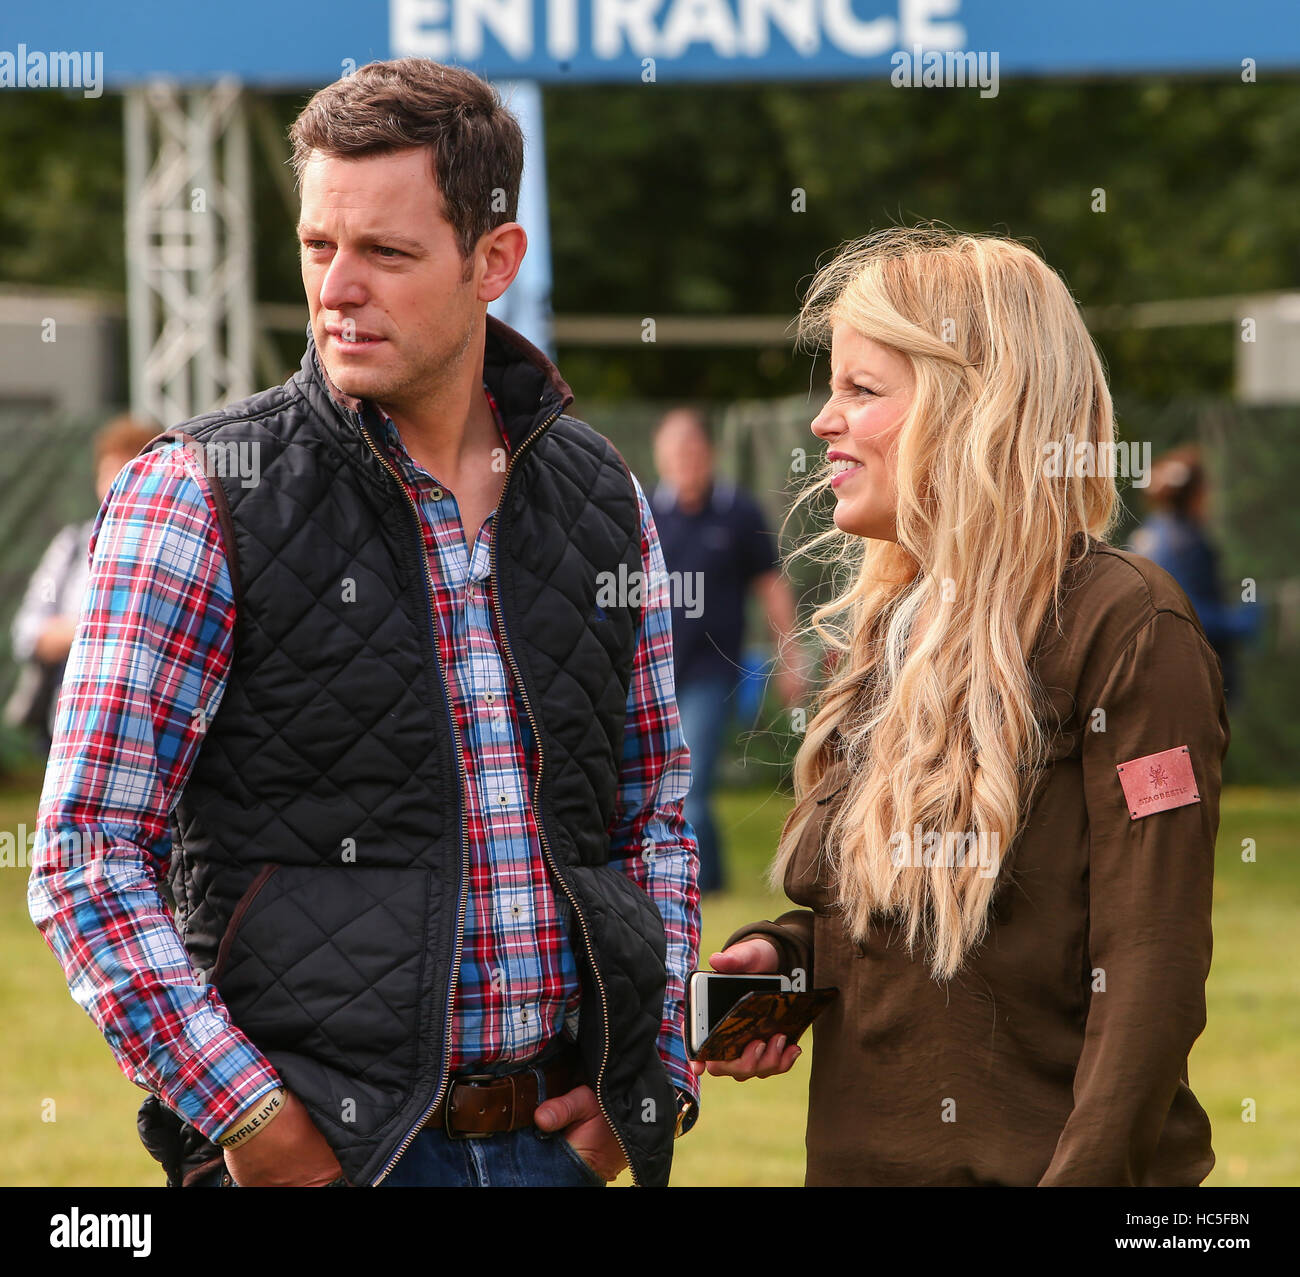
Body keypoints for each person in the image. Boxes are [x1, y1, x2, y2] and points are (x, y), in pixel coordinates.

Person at [28, 58, 700, 1189]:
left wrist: (651, 1063)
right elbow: (86, 853)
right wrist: (259, 1128)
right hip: (328, 1154)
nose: (337, 288)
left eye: (385, 253)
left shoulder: (600, 491)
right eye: (317, 246)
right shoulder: (198, 491)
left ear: (495, 261)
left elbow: (656, 813)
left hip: (554, 1144)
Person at [695, 226, 1229, 1187]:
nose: (825, 421)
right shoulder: (895, 623)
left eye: (862, 390)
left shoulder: (1127, 621)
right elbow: (899, 929)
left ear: (974, 407)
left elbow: (1150, 963)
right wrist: (777, 964)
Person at [650, 407, 808, 894]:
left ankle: (704, 885)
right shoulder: (649, 514)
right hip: (655, 672)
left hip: (712, 671)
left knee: (690, 783)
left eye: (692, 450)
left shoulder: (738, 512)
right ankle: (696, 876)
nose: (685, 461)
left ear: (710, 454)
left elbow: (772, 588)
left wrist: (790, 656)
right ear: (661, 459)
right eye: (675, 452)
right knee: (661, 783)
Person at [5, 416, 159, 753]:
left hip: (148, 727)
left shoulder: (172, 545)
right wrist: (95, 630)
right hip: (71, 725)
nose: (114, 485)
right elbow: (28, 631)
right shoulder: (73, 544)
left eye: (126, 472)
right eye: (108, 473)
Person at [1128, 445, 1256, 708]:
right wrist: (1243, 620)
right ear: (1198, 493)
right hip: (1190, 681)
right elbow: (1188, 614)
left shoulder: (1147, 535)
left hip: (1152, 675)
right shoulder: (1187, 542)